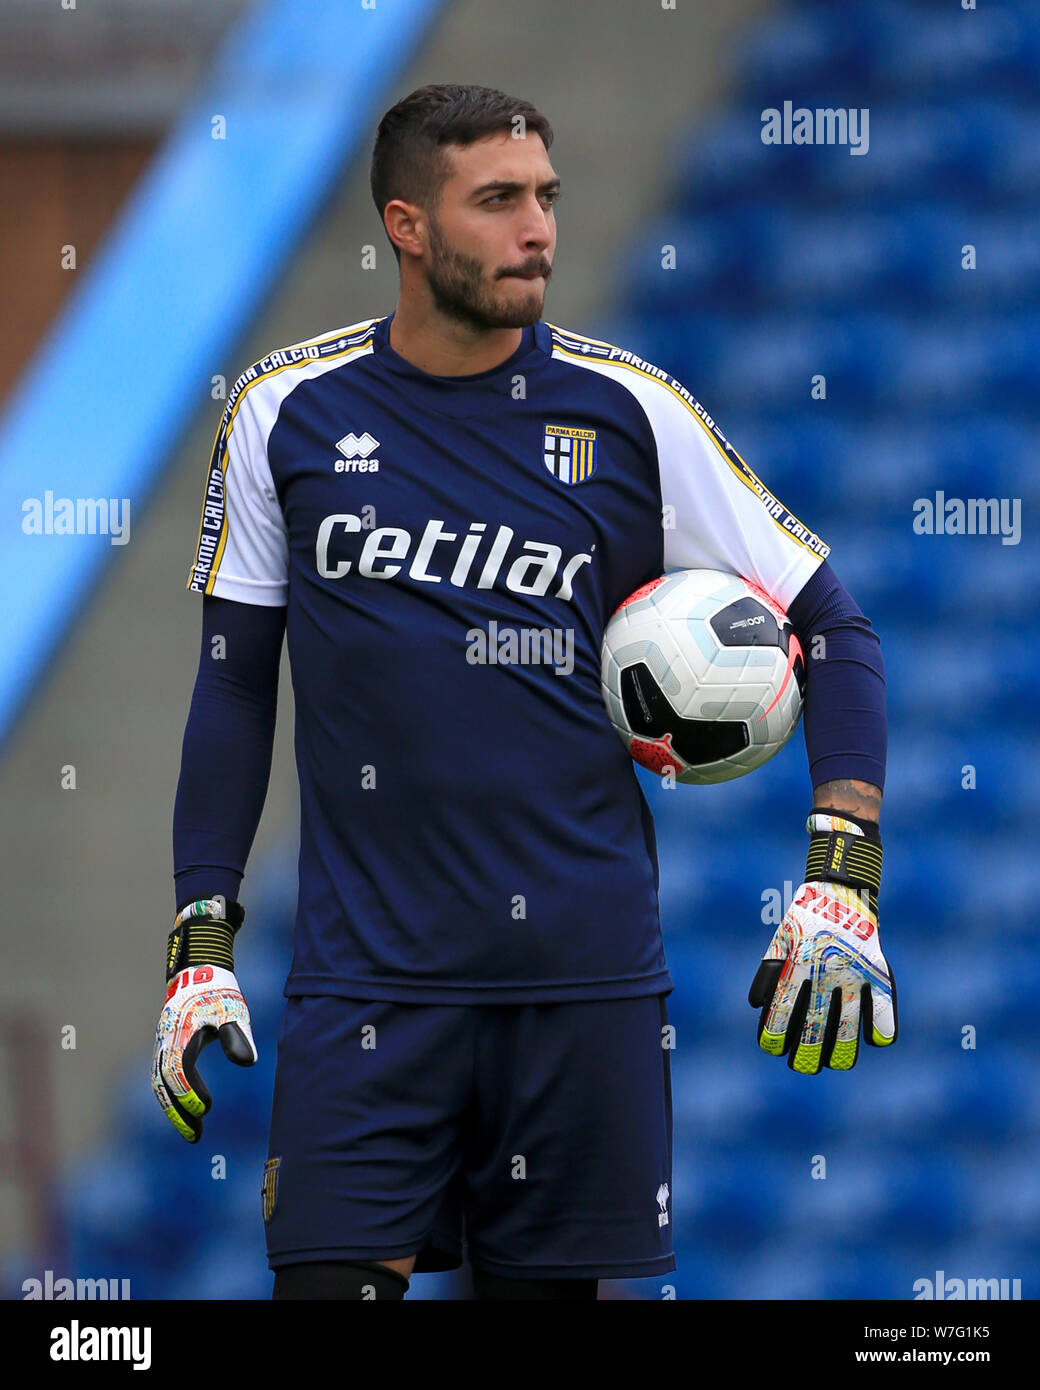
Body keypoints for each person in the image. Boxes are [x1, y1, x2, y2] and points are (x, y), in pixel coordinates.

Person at [151, 83, 895, 1301]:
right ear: (406, 223)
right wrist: (199, 931)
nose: (535, 228)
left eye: (545, 197)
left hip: (582, 988)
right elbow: (234, 688)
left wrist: (840, 867)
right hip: (366, 991)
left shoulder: (631, 414)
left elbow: (838, 631)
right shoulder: (284, 412)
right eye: (496, 201)